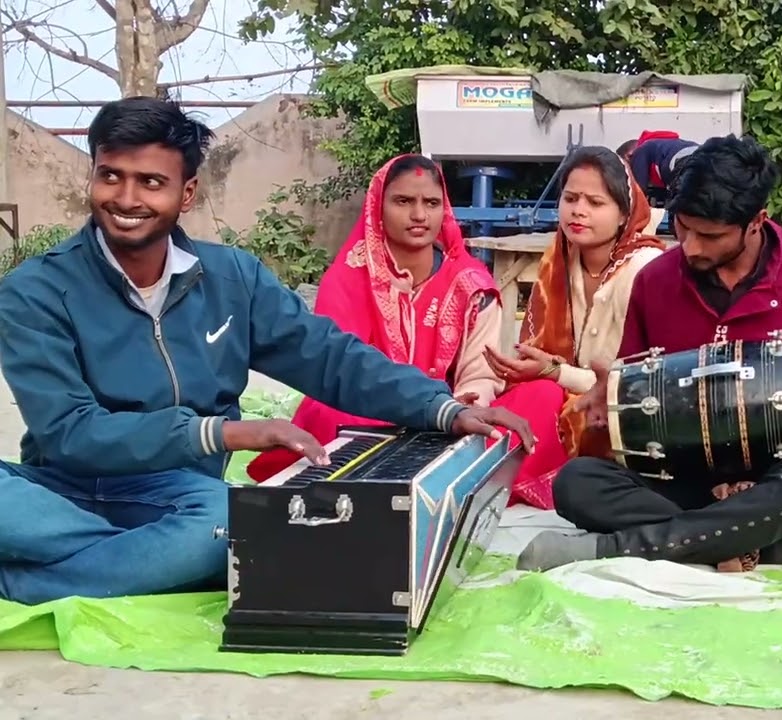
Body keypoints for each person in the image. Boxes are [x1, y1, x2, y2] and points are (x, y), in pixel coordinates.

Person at [0, 97, 533, 606]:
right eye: (110, 175)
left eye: (151, 182)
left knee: (226, 521)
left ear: (186, 194)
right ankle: (147, 558)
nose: (126, 198)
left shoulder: (233, 278)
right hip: (66, 486)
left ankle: (27, 579)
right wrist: (227, 433)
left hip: (185, 493)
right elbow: (70, 432)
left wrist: (443, 408)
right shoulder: (35, 290)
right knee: (232, 531)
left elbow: (330, 357)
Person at [515, 135, 782, 577]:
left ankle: (608, 549)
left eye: (710, 235)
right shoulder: (656, 281)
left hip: (775, 478)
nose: (691, 247)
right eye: (683, 227)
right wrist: (615, 393)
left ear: (756, 221)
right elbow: (636, 379)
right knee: (577, 483)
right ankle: (772, 545)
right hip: (680, 479)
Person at [242, 154, 565, 508]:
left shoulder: (471, 283)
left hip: (456, 421)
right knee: (324, 410)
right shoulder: (348, 278)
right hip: (371, 415)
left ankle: (445, 470)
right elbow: (337, 371)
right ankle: (453, 477)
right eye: (403, 201)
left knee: (543, 396)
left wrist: (465, 406)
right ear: (377, 208)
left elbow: (481, 373)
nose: (419, 215)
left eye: (431, 203)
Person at [482, 146, 666, 465]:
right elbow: (543, 361)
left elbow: (643, 383)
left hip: (625, 410)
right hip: (563, 399)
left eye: (595, 202)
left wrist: (555, 372)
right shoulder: (559, 260)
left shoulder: (647, 271)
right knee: (532, 397)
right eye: (570, 199)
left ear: (625, 213)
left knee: (547, 397)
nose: (578, 211)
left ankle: (519, 478)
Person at [617, 130, 700, 205]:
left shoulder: (641, 151)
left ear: (629, 156)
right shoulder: (668, 145)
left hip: (683, 163)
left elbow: (639, 191)